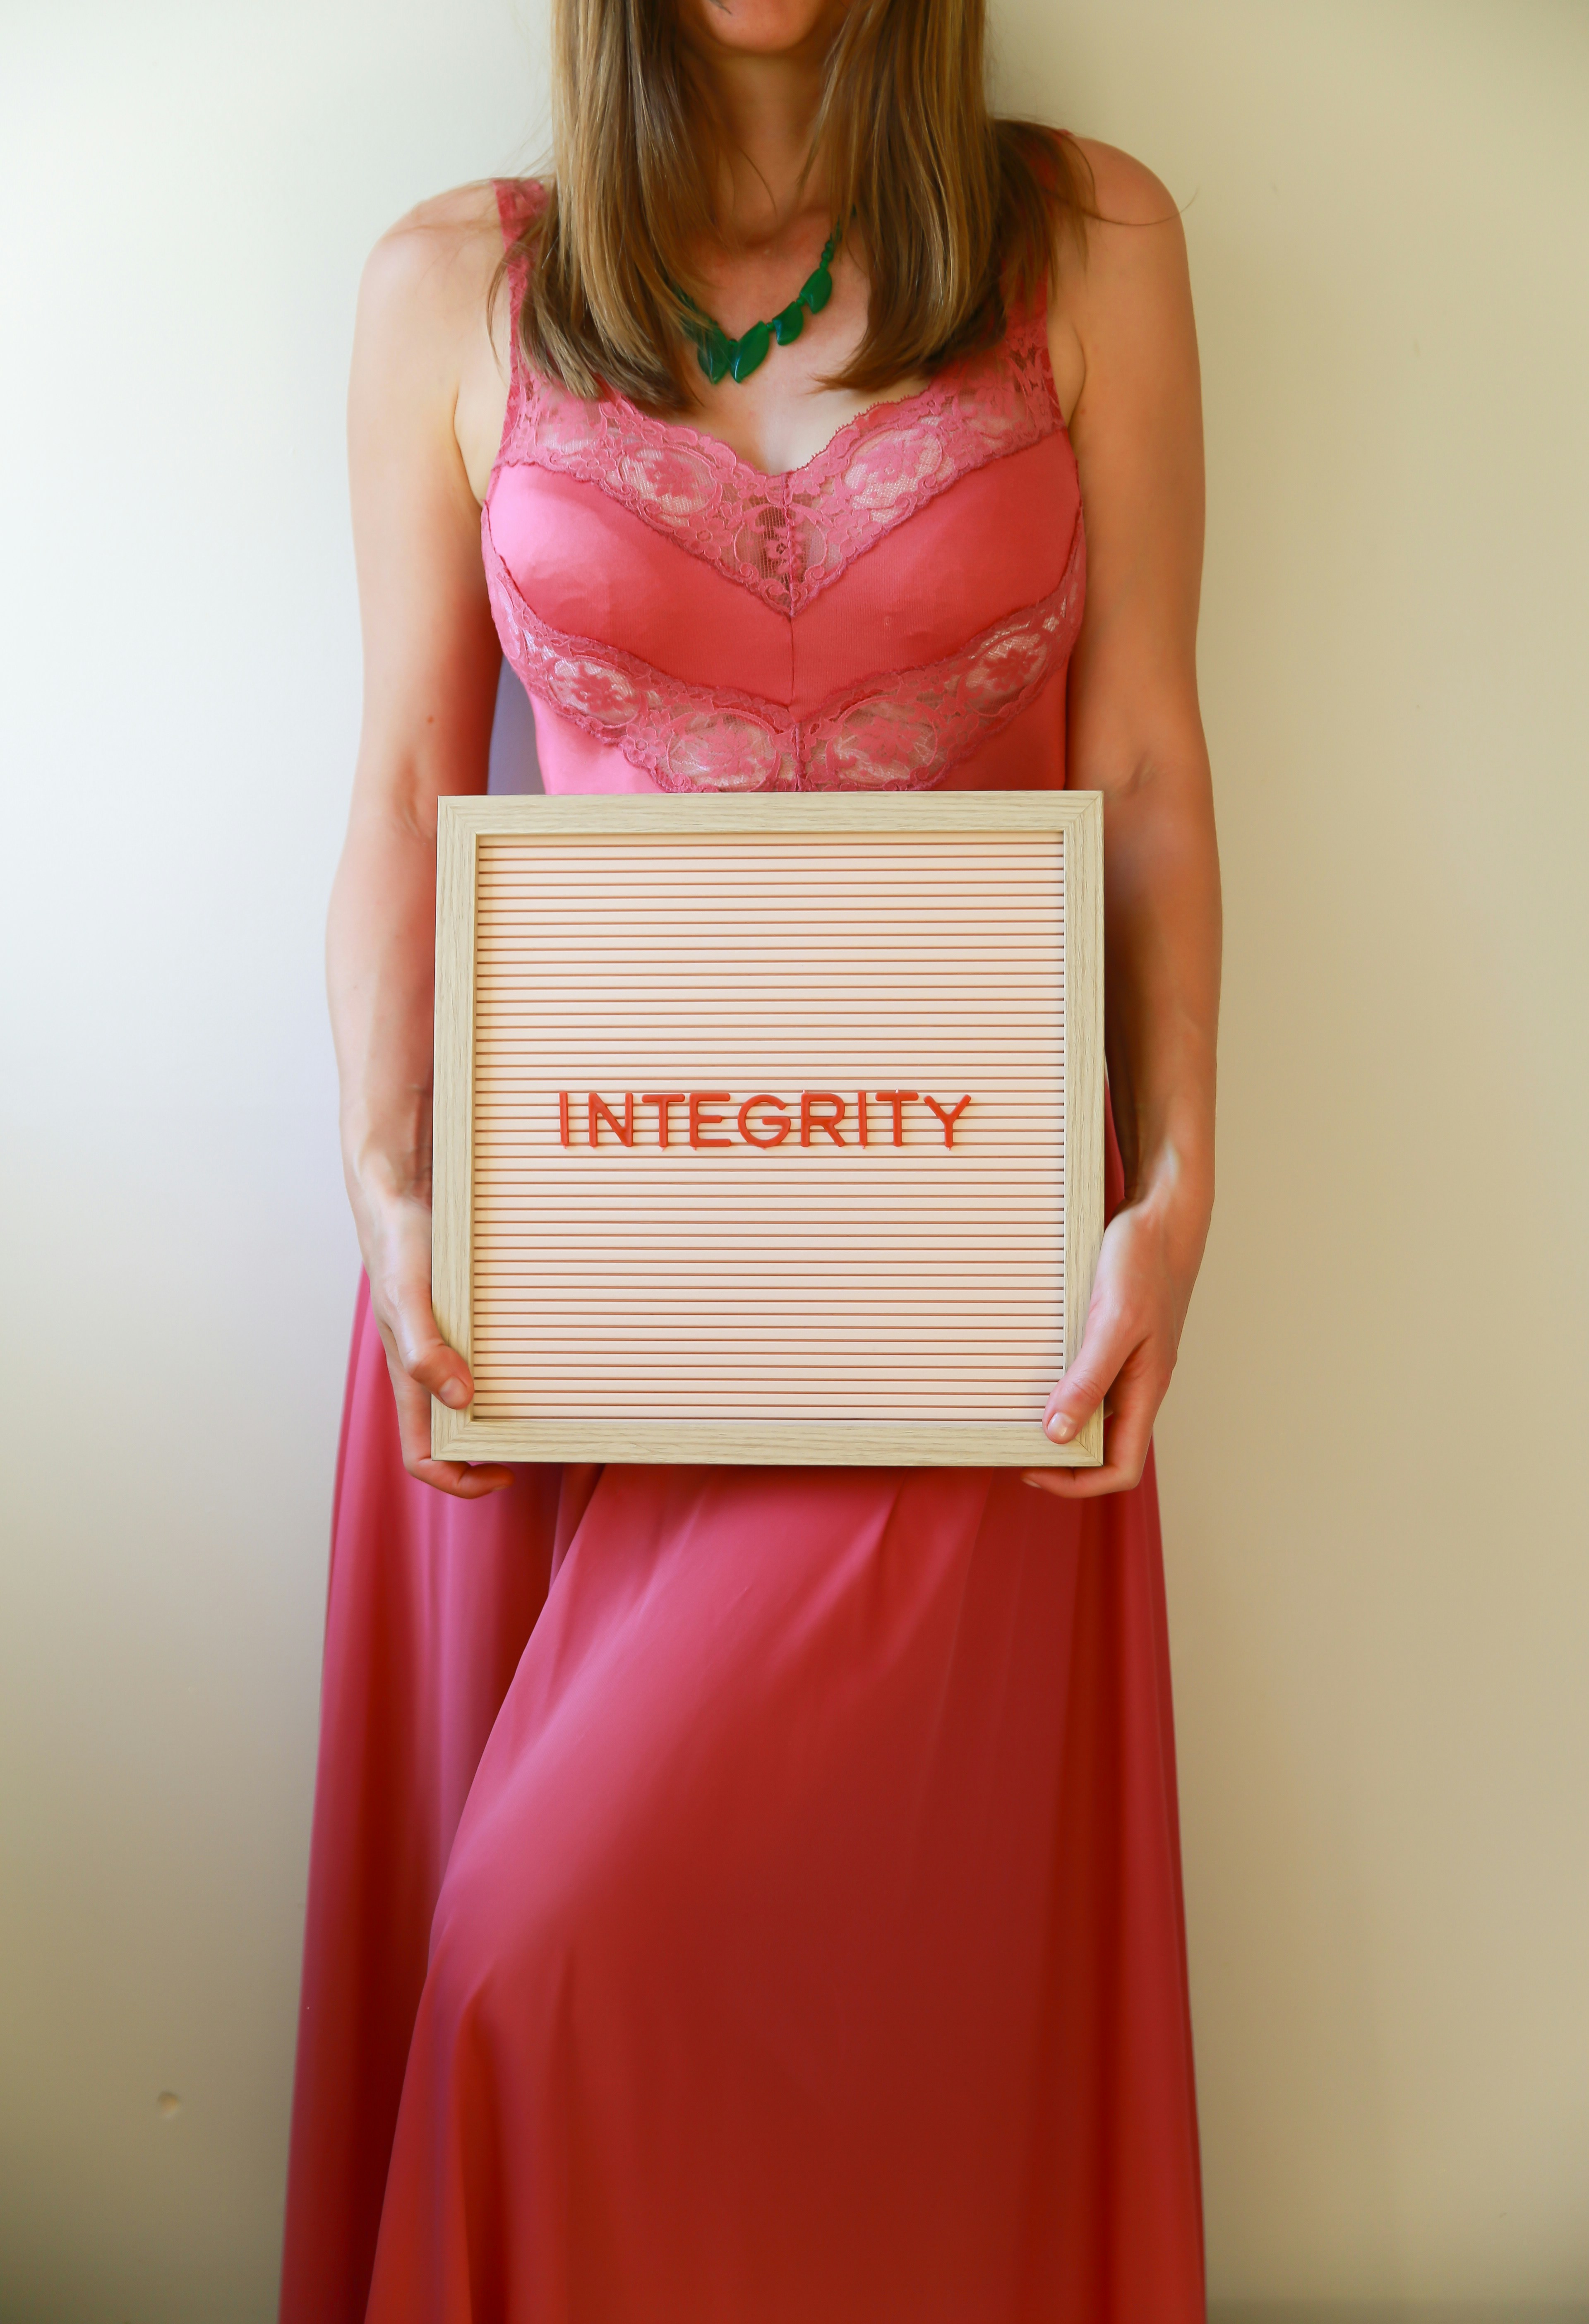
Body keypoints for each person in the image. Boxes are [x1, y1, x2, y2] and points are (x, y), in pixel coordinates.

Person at [281, 0, 1220, 2315]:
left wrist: (1183, 1181)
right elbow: (405, 781)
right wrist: (387, 1191)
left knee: (623, 1972)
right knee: (539, 1976)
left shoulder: (1088, 243)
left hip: (957, 1287)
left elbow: (1153, 761)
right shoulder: (448, 286)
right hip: (549, 1276)